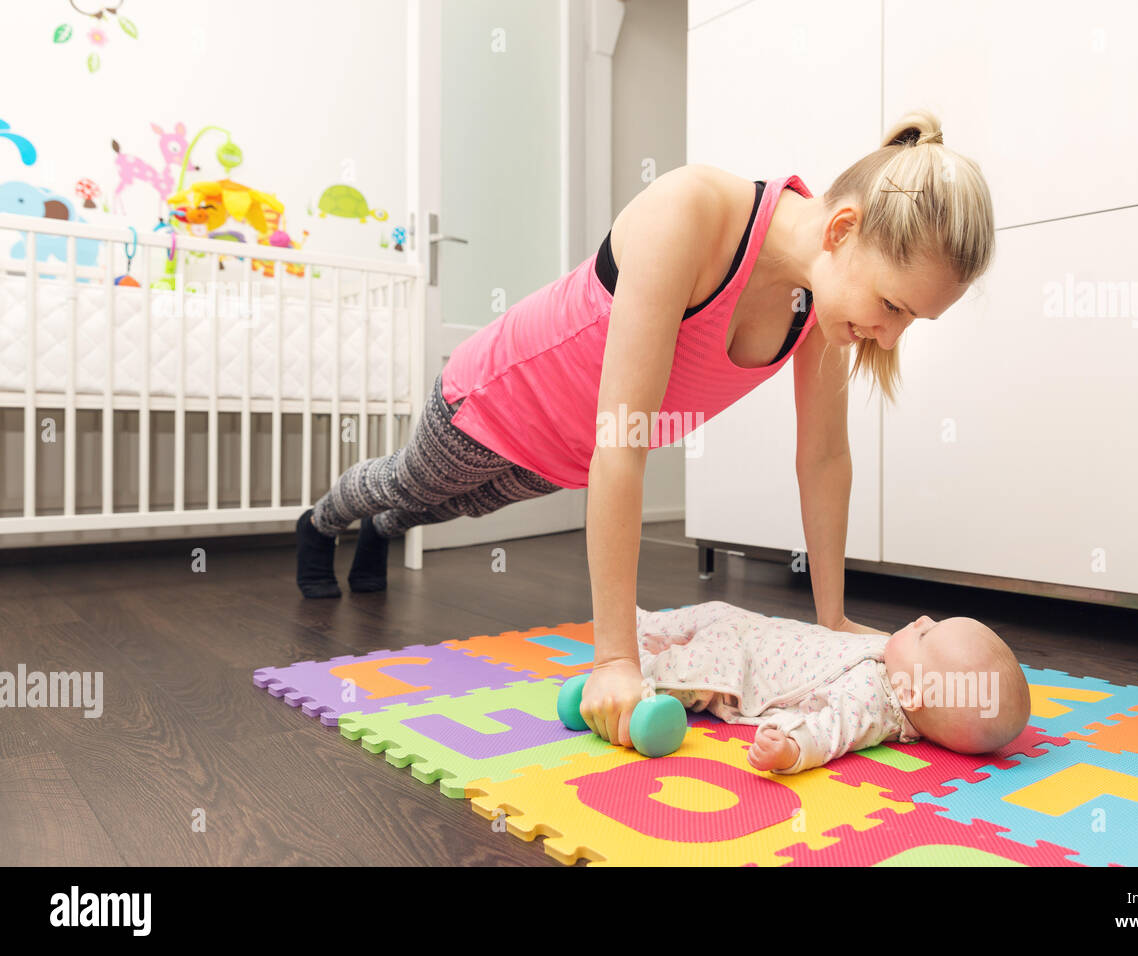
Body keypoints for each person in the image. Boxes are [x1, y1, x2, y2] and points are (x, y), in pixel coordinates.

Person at [295, 109, 996, 752]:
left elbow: (823, 457)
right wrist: (615, 661)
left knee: (448, 509)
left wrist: (834, 620)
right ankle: (323, 521)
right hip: (496, 400)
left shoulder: (821, 300)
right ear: (842, 230)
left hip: (571, 456)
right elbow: (624, 439)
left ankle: (382, 531)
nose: (889, 333)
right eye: (892, 306)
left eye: (910, 320)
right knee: (409, 484)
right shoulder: (689, 212)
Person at [636, 600, 1030, 773]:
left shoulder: (871, 705)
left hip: (738, 670)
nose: (923, 619)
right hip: (758, 630)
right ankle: (641, 621)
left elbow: (829, 732)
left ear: (910, 695)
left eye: (926, 635)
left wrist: (791, 749)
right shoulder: (900, 665)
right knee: (712, 613)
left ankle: (625, 663)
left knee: (674, 671)